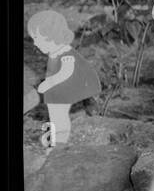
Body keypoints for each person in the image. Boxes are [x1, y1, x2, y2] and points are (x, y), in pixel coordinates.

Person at [29, 9, 101, 146]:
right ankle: (54, 141)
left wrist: (49, 83)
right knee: (54, 113)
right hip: (62, 90)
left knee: (58, 115)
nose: (35, 43)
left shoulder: (65, 53)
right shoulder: (54, 52)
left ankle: (58, 142)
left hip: (73, 88)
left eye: (37, 38)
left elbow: (66, 73)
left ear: (51, 36)